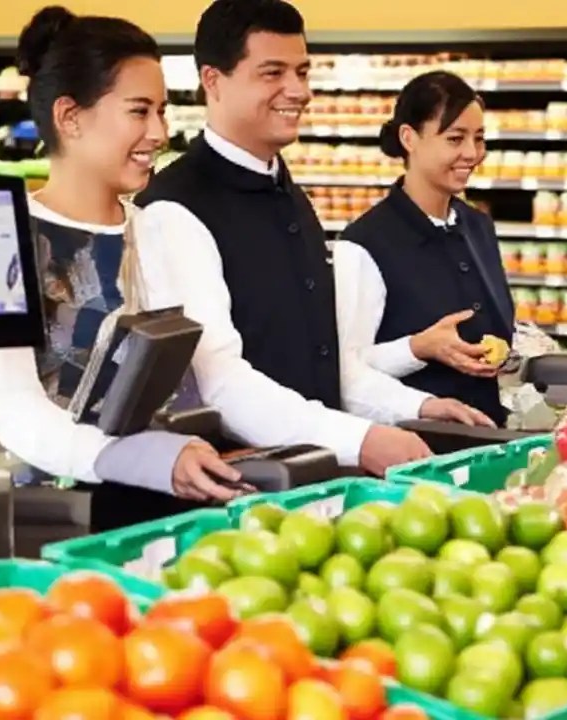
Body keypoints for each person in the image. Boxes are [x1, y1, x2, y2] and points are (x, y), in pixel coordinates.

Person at [134, 0, 491, 478]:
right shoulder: (174, 209)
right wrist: (360, 439)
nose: (298, 90)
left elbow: (321, 360)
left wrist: (419, 406)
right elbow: (218, 382)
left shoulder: (288, 193)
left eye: (302, 71)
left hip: (309, 480)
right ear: (213, 81)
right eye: (272, 72)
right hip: (240, 498)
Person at [0, 6, 248, 531]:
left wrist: (352, 436)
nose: (159, 132)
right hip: (59, 527)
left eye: (163, 110)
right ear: (71, 117)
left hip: (183, 507)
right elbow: (16, 412)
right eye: (140, 111)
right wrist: (139, 460)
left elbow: (224, 378)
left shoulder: (170, 230)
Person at [338, 70, 514, 427]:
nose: (472, 153)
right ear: (409, 138)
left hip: (485, 439)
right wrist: (418, 348)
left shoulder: (477, 225)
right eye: (455, 139)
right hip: (415, 450)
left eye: (479, 139)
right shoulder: (363, 244)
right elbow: (345, 371)